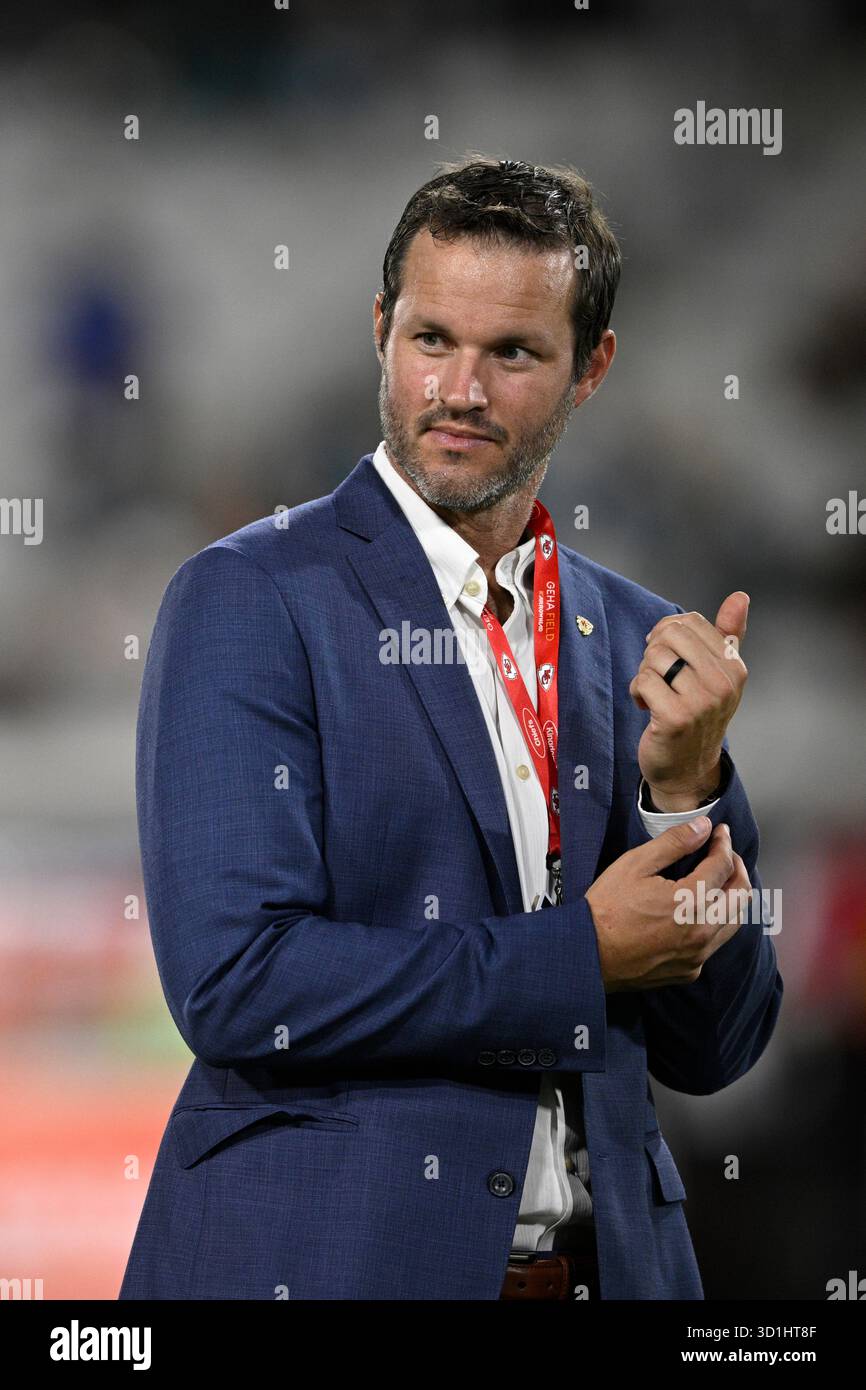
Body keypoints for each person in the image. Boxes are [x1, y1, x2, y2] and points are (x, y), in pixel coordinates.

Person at [119, 157, 782, 1301]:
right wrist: (581, 954)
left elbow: (713, 1048)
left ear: (591, 370)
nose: (459, 389)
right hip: (327, 1266)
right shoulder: (253, 596)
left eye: (512, 352)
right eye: (431, 339)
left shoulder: (636, 636)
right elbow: (237, 981)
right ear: (380, 330)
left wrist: (685, 788)